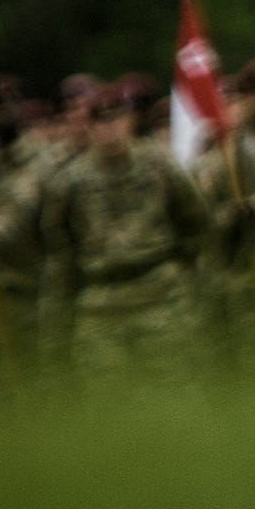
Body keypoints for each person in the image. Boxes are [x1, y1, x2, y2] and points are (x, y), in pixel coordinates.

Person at [41, 79, 209, 379]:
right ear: (89, 127)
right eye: (101, 121)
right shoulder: (70, 181)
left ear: (129, 120)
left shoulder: (160, 164)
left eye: (116, 117)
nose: (110, 128)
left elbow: (195, 220)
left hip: (160, 297)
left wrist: (181, 270)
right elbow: (59, 246)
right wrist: (57, 321)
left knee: (171, 389)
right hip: (101, 304)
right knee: (108, 395)